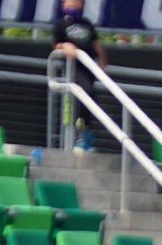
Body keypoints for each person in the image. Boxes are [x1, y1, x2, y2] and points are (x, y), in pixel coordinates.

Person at [52, 0, 105, 152]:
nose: (72, 8)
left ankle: (86, 134)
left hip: (88, 67)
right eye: (70, 5)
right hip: (73, 67)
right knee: (82, 95)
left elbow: (96, 43)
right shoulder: (60, 25)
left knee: (89, 96)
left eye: (76, 5)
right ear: (63, 5)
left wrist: (102, 62)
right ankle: (80, 136)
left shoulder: (86, 24)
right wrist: (64, 46)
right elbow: (55, 45)